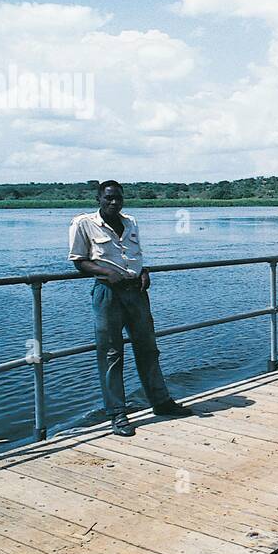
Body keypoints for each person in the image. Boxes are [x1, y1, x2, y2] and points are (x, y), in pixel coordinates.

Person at [68, 181, 193, 436]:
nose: (114, 202)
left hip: (137, 293)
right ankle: (117, 414)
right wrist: (105, 271)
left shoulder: (131, 222)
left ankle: (161, 401)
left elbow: (134, 256)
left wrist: (144, 271)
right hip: (108, 294)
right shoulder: (83, 223)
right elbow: (79, 262)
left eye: (118, 198)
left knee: (148, 349)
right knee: (112, 354)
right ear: (99, 199)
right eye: (109, 198)